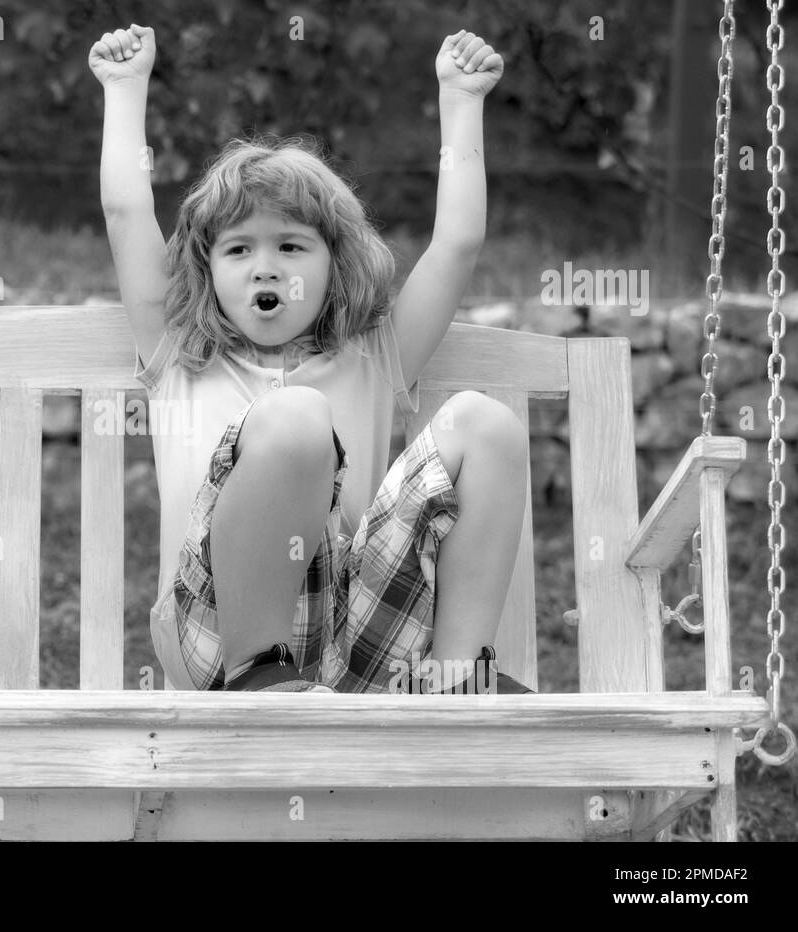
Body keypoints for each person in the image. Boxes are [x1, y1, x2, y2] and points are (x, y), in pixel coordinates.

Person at [90, 25, 534, 695]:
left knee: (484, 424)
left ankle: (453, 686)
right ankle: (257, 675)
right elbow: (126, 212)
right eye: (239, 250)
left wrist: (461, 100)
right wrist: (125, 90)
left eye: (292, 247)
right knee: (295, 418)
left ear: (337, 266)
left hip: (357, 640)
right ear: (207, 272)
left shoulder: (374, 357)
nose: (264, 267)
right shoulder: (181, 351)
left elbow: (457, 245)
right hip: (214, 639)